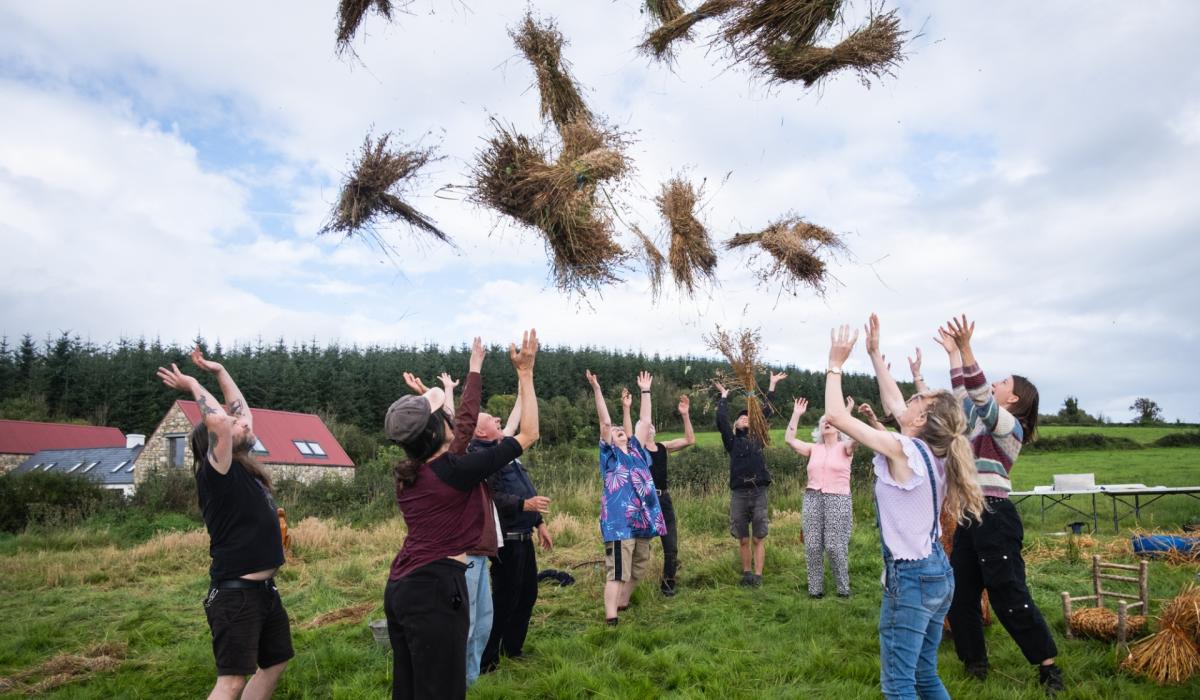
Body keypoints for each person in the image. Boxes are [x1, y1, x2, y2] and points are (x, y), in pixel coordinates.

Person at [824, 316, 985, 700]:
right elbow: (895, 402)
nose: (907, 402)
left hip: (912, 580)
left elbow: (835, 416)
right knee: (925, 676)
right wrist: (875, 354)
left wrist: (835, 365)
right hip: (937, 574)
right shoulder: (936, 451)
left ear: (923, 418)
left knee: (898, 686)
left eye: (917, 400)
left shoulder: (905, 449)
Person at [383, 332, 540, 700]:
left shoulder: (412, 473)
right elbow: (530, 432)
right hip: (436, 592)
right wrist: (526, 374)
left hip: (402, 588)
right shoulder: (456, 470)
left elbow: (464, 423)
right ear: (439, 430)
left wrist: (474, 371)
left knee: (410, 690)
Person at [937, 315, 1062, 694]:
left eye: (1002, 383)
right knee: (960, 594)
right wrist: (954, 355)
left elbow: (978, 395)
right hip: (970, 516)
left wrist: (967, 348)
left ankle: (1048, 666)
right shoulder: (982, 423)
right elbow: (963, 397)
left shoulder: (1010, 426)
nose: (995, 384)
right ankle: (974, 663)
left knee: (1008, 593)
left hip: (995, 516)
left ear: (1014, 399)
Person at [157, 348, 291, 700]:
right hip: (236, 597)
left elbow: (239, 412)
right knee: (231, 681)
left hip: (264, 593)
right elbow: (219, 420)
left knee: (275, 662)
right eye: (234, 426)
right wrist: (192, 384)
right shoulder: (217, 473)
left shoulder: (243, 465)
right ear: (221, 440)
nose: (243, 423)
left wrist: (220, 371)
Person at [469, 385, 554, 673]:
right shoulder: (482, 459)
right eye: (492, 419)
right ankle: (487, 660)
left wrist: (539, 522)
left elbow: (523, 487)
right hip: (506, 540)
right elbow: (492, 498)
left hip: (524, 535)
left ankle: (512, 649)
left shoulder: (501, 450)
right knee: (503, 600)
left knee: (528, 593)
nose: (498, 420)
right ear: (480, 432)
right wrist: (524, 505)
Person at [585, 370, 667, 625]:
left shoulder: (637, 452)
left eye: (622, 429)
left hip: (643, 520)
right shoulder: (609, 456)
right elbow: (606, 423)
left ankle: (622, 601)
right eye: (616, 431)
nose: (619, 430)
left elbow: (644, 421)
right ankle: (611, 618)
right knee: (618, 571)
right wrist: (597, 389)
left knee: (639, 567)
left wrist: (645, 392)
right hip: (620, 524)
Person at [619, 372, 696, 596]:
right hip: (643, 501)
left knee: (670, 544)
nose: (649, 426)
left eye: (651, 425)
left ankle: (669, 582)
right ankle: (625, 585)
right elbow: (630, 432)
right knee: (636, 545)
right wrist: (626, 409)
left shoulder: (663, 447)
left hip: (663, 499)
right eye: (645, 425)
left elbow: (690, 440)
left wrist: (685, 415)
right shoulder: (637, 450)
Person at [714, 371, 785, 587]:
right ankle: (746, 574)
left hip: (759, 491)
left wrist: (771, 386)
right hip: (739, 493)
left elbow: (765, 413)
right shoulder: (731, 441)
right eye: (741, 418)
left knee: (758, 537)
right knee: (743, 538)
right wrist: (724, 397)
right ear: (735, 425)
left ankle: (758, 575)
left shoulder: (758, 437)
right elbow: (721, 420)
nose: (745, 418)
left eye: (747, 417)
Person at [783, 397, 857, 598]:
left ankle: (843, 589)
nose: (826, 423)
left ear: (839, 428)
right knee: (813, 545)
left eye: (831, 421)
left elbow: (858, 436)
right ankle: (815, 591)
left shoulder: (846, 448)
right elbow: (789, 440)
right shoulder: (813, 449)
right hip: (812, 498)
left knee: (834, 546)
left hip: (838, 499)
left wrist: (846, 414)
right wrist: (796, 414)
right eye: (823, 421)